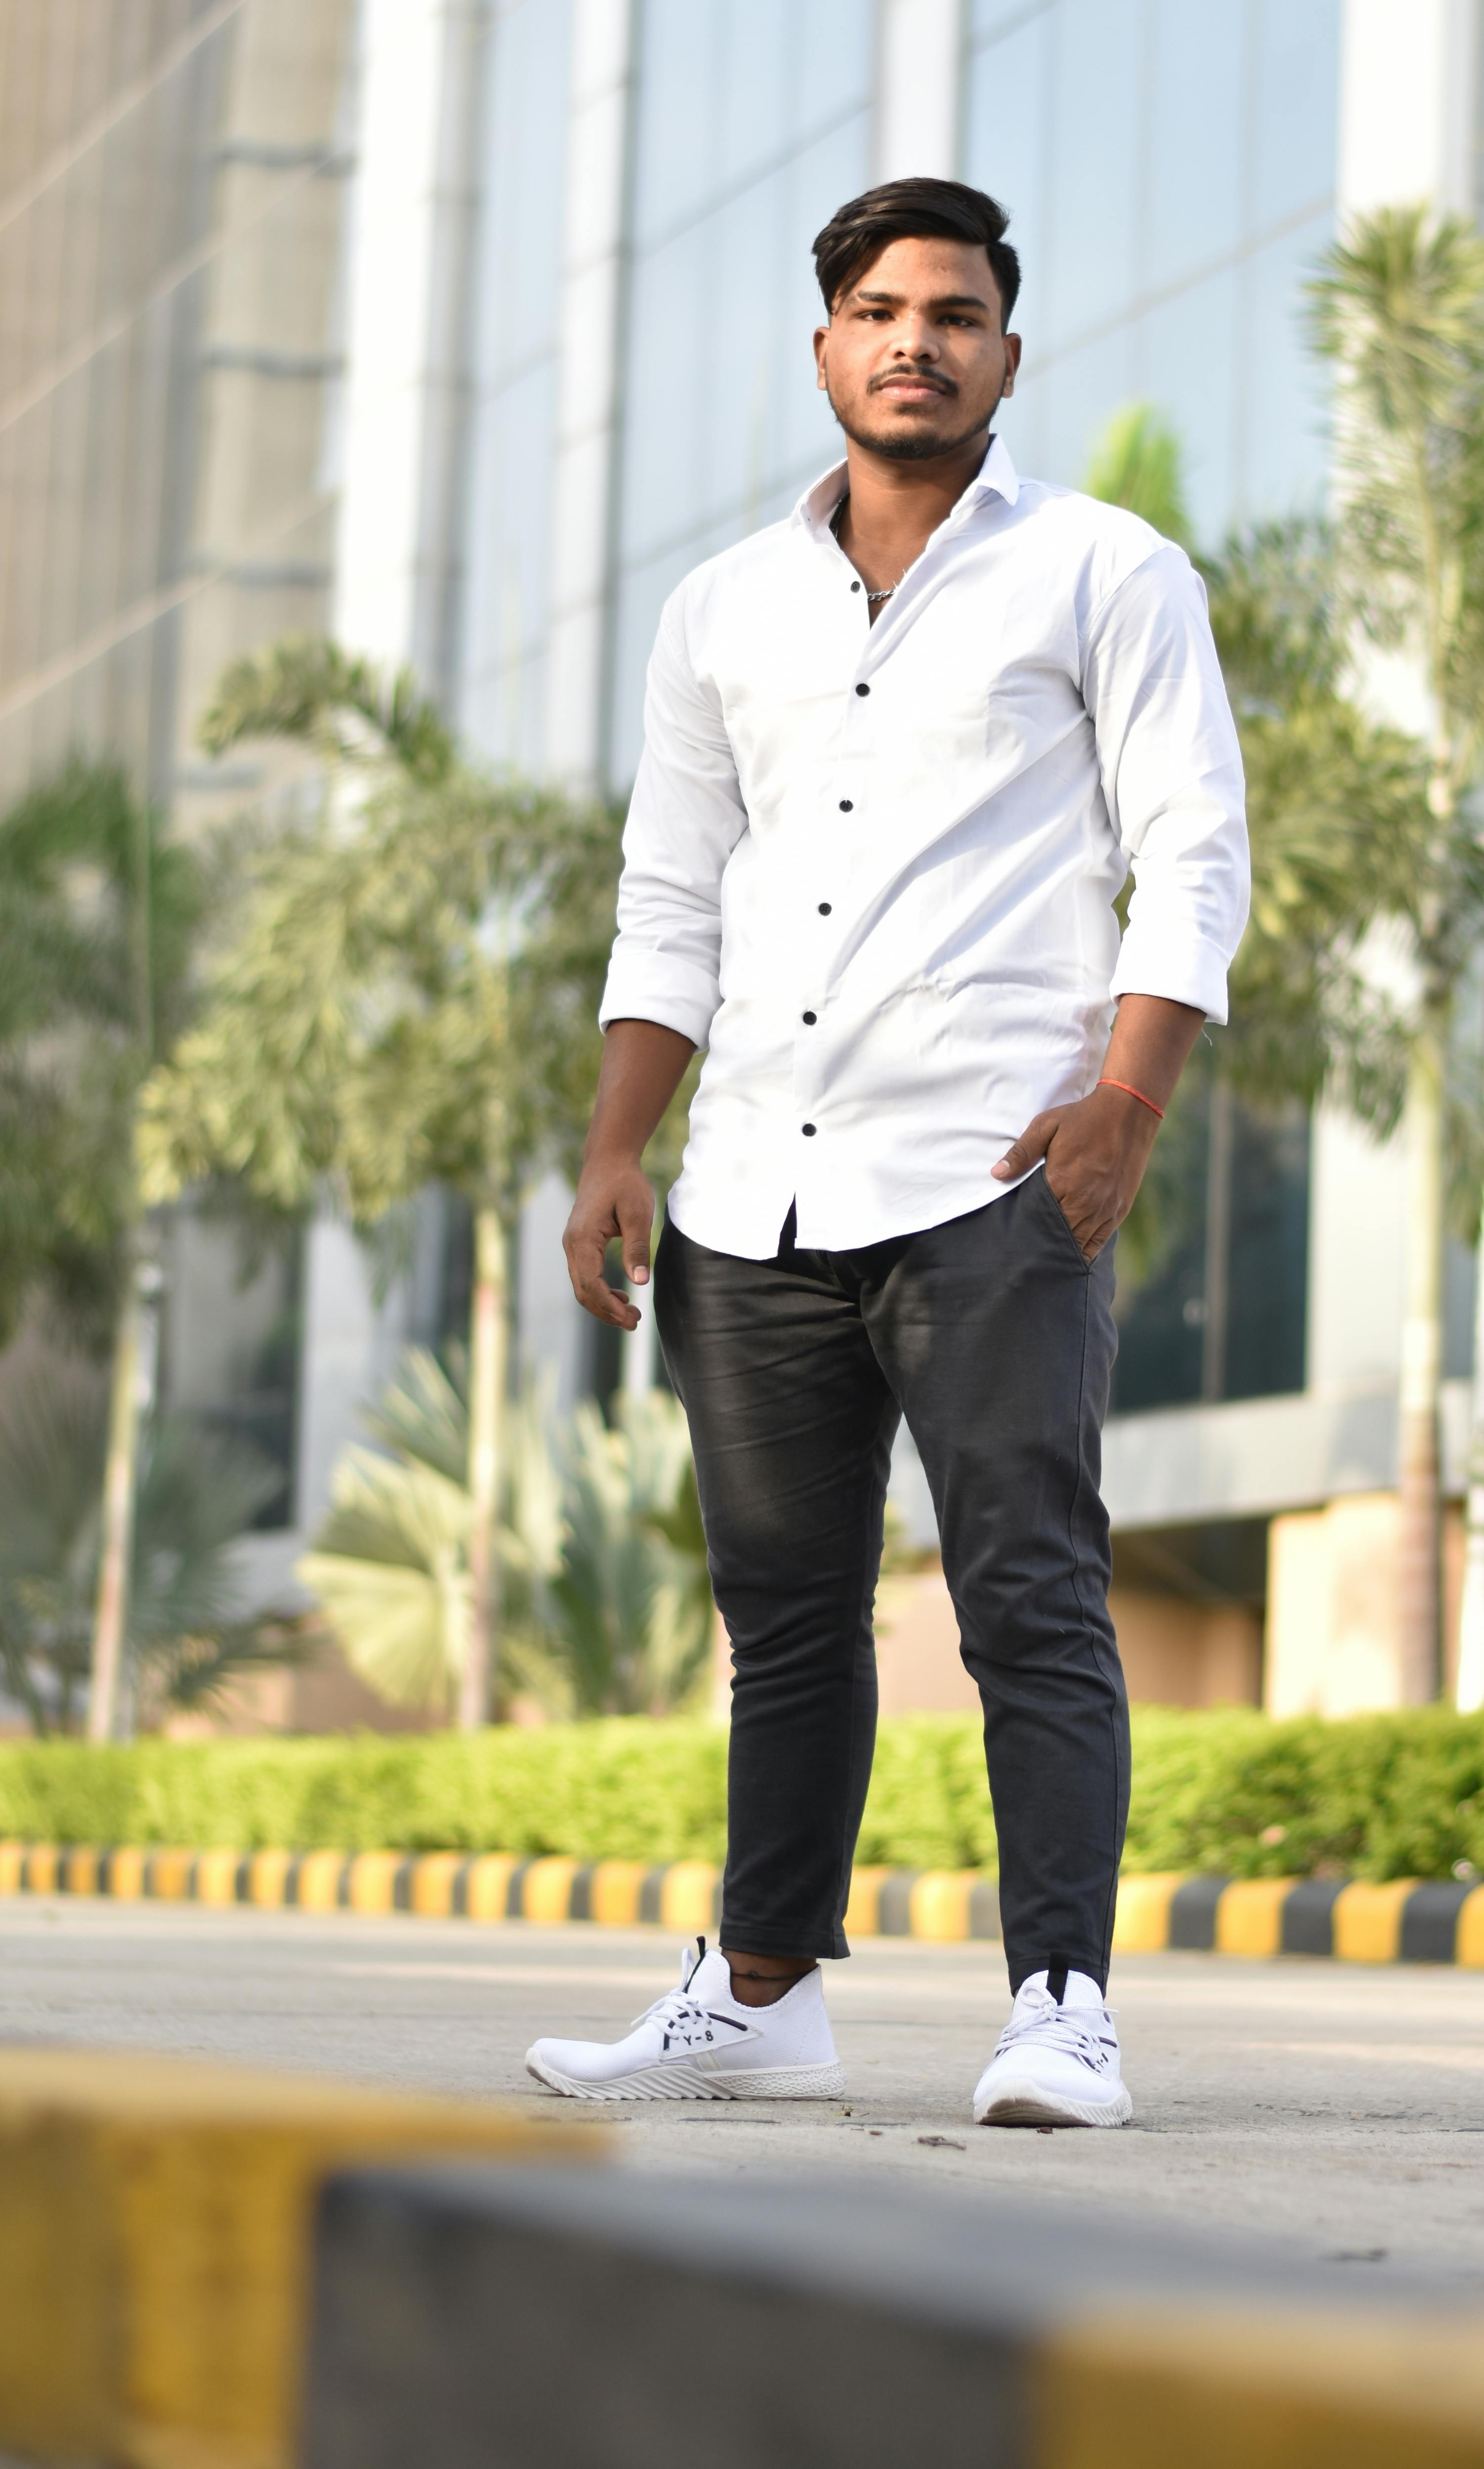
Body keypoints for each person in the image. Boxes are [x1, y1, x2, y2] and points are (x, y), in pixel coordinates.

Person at [526, 178, 1248, 2127]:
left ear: (1009, 353)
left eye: (954, 309)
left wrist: (1130, 1102)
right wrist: (618, 1141)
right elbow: (668, 895)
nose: (913, 336)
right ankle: (763, 1994)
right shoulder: (722, 609)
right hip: (752, 1179)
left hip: (993, 1174)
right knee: (781, 1615)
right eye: (877, 306)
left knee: (1027, 1592)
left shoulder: (1104, 573)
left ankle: (1063, 2008)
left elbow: (1191, 846)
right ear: (825, 344)